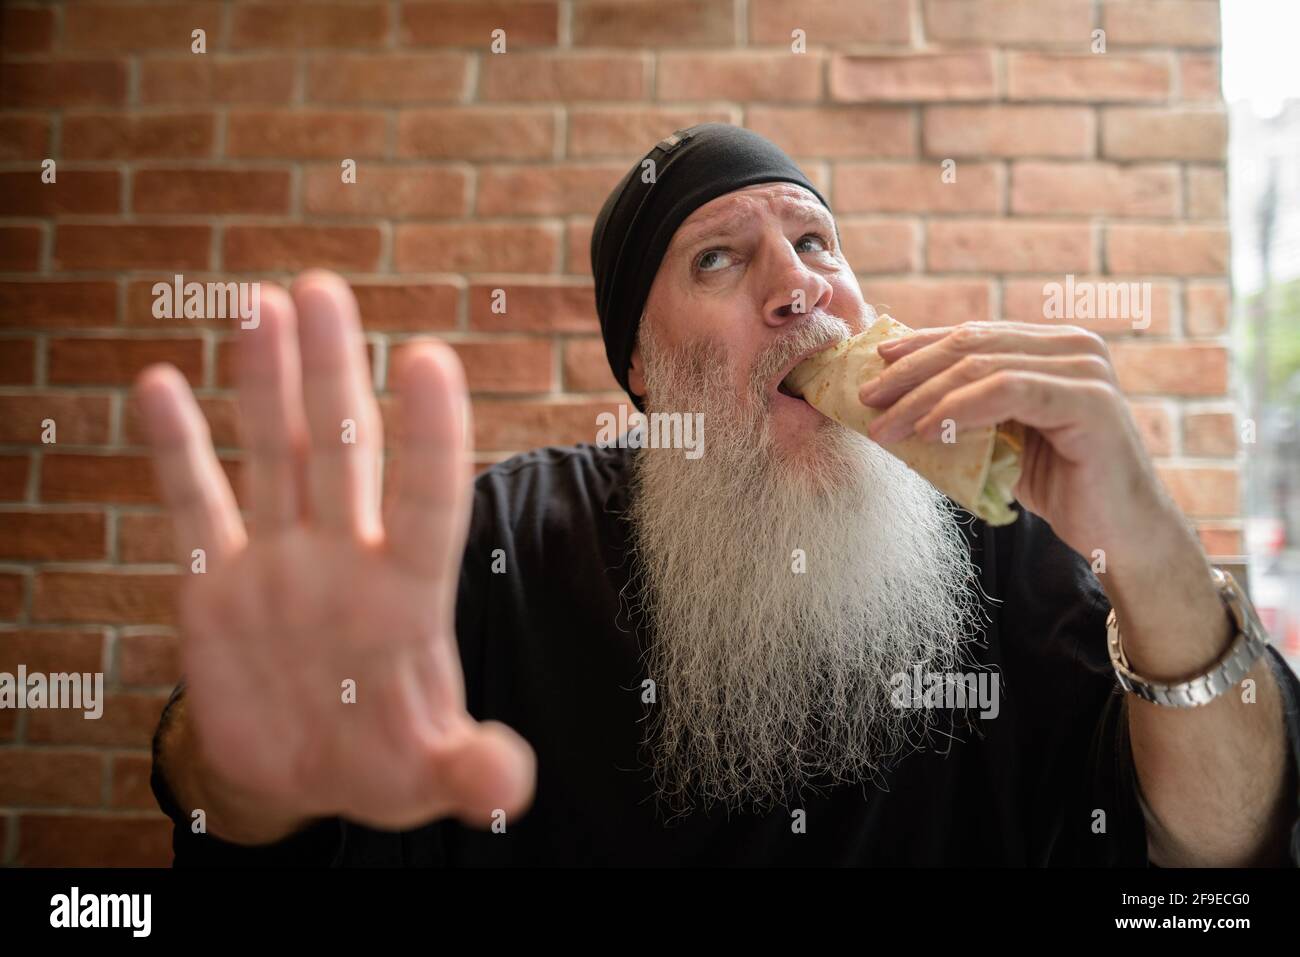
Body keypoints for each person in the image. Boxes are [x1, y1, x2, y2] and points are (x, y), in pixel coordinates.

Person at [138, 124, 1300, 866]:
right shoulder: (503, 538)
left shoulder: (995, 540)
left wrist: (1146, 551)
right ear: (640, 368)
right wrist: (245, 769)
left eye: (817, 242)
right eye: (717, 257)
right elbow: (227, 798)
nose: (801, 288)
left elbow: (1221, 842)